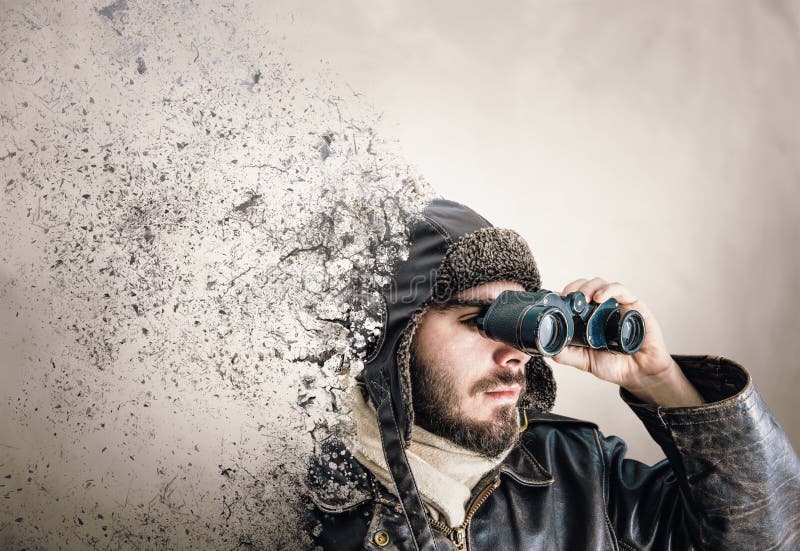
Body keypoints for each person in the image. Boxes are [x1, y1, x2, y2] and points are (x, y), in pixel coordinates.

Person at [305, 198, 800, 550]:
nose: (516, 355)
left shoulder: (582, 472)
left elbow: (771, 536)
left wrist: (657, 379)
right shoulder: (310, 506)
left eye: (521, 325)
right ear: (392, 337)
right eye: (479, 320)